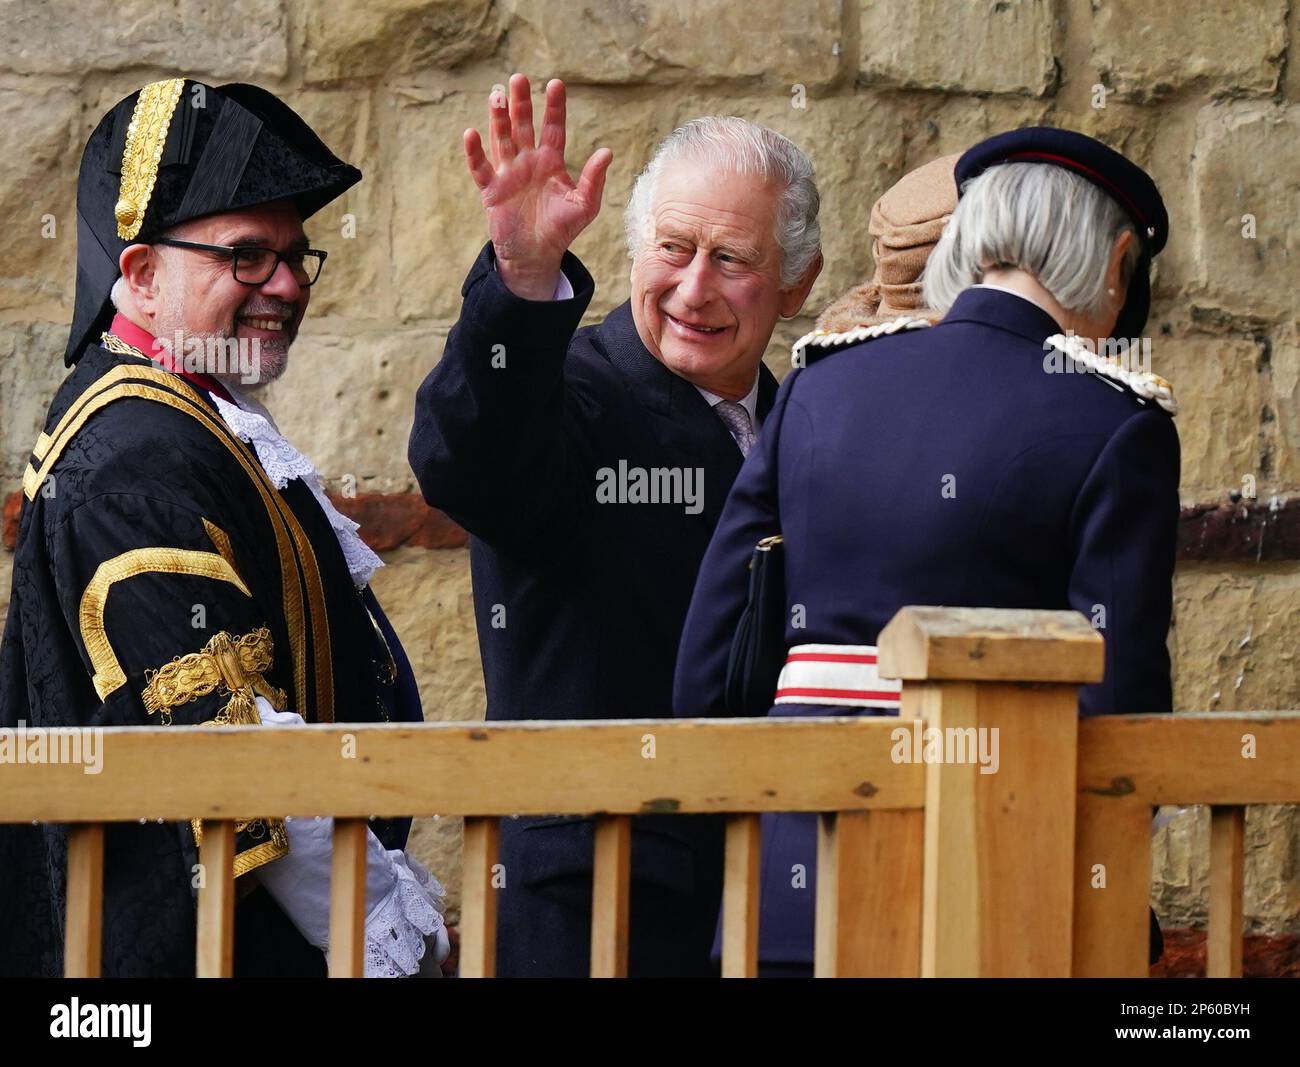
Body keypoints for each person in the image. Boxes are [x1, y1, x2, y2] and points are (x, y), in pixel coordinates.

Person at [674, 128, 1180, 975]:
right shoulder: (1118, 423)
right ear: (1118, 263)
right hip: (995, 897)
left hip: (792, 889)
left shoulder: (817, 385)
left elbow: (707, 668)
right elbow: (1121, 709)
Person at [0, 79, 448, 978]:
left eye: (293, 256)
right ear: (141, 274)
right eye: (245, 256)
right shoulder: (133, 453)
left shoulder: (190, 413)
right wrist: (378, 928)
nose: (283, 285)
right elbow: (234, 745)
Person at [408, 74, 823, 976]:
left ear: (796, 284)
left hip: (765, 891)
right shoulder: (577, 393)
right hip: (592, 900)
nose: (694, 287)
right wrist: (520, 282)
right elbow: (461, 459)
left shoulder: (807, 425)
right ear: (635, 250)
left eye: (733, 259)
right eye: (673, 248)